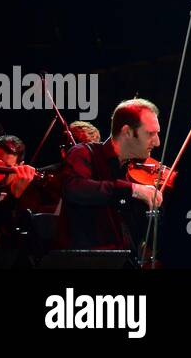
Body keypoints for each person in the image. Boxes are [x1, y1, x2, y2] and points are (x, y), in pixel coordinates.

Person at [56, 99, 165, 255]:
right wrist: (133, 189)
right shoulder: (84, 153)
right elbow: (74, 188)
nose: (157, 142)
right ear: (127, 132)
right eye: (150, 134)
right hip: (85, 261)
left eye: (157, 134)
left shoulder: (130, 172)